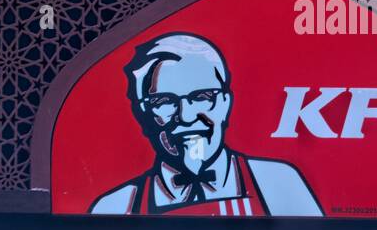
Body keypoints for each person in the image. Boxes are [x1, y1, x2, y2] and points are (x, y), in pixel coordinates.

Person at [88, 32, 322, 217]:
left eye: (202, 97)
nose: (187, 116)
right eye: (164, 101)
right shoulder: (117, 206)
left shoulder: (275, 181)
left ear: (225, 103)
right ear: (142, 113)